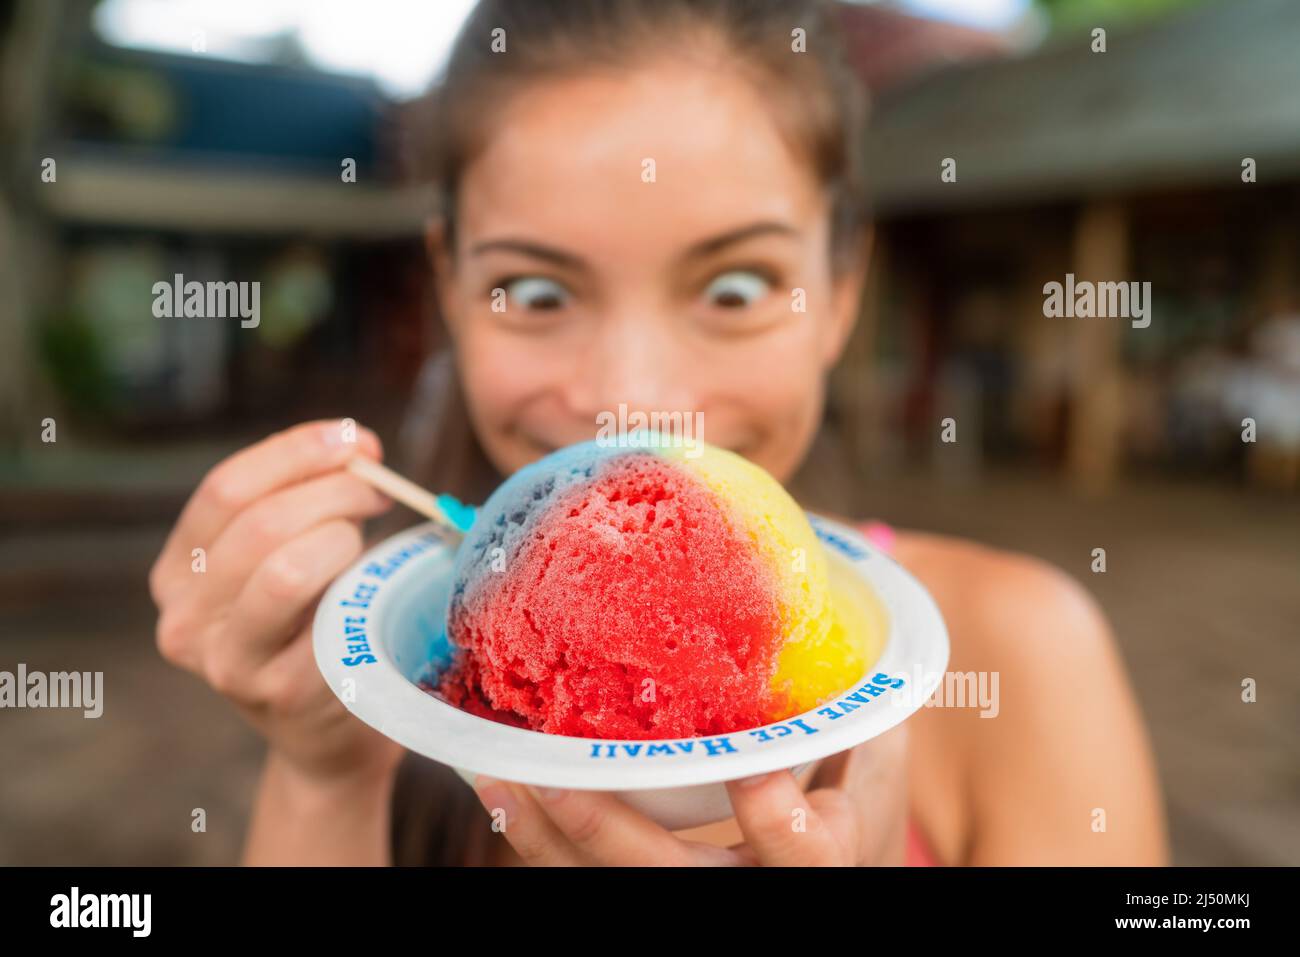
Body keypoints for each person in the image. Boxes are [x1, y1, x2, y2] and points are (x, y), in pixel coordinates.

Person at [149, 0, 1167, 866]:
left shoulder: (1026, 657)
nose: (635, 401)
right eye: (534, 290)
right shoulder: (408, 680)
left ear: (841, 291)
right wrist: (325, 774)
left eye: (735, 286)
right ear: (449, 290)